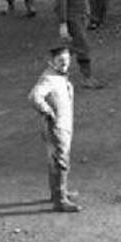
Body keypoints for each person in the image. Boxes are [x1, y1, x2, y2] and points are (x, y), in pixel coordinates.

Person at [28, 44, 80, 213]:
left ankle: (58, 192)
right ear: (51, 62)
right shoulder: (49, 79)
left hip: (63, 124)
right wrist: (47, 110)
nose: (65, 63)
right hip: (56, 126)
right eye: (60, 60)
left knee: (56, 160)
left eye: (67, 60)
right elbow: (34, 96)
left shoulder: (60, 76)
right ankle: (60, 200)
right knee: (60, 161)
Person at [54, 0, 104, 89]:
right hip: (73, 18)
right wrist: (63, 24)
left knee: (72, 47)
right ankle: (87, 77)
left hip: (83, 16)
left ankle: (57, 70)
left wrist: (88, 13)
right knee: (83, 46)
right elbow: (61, 3)